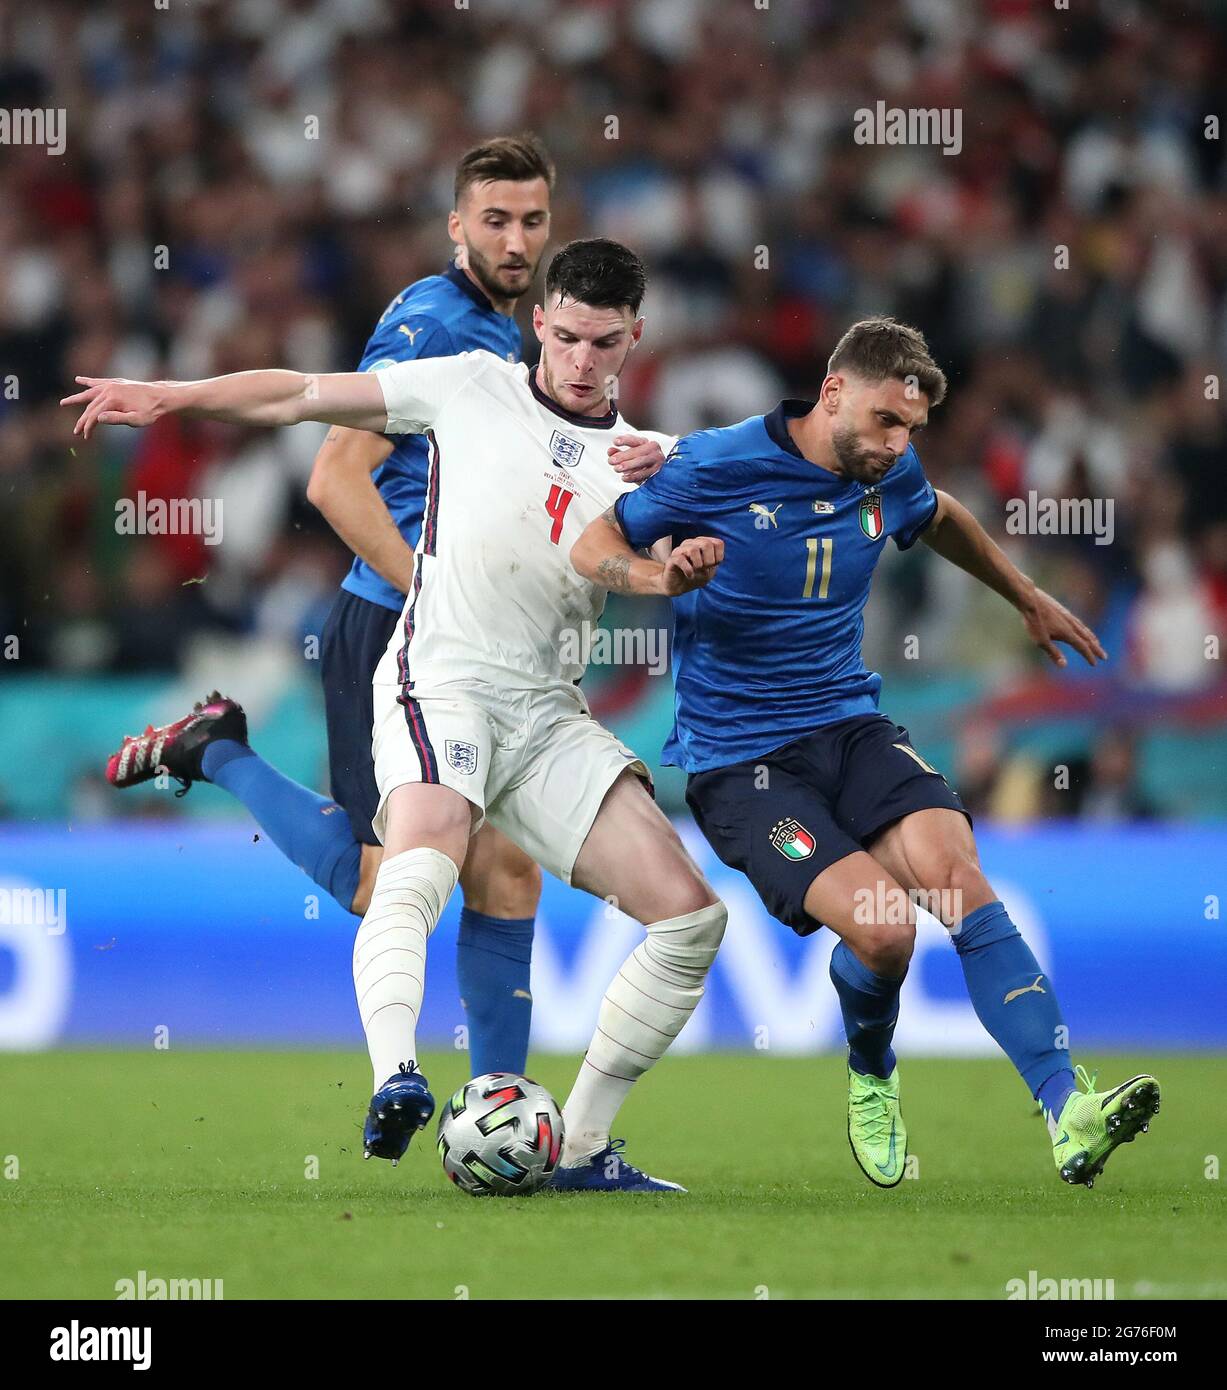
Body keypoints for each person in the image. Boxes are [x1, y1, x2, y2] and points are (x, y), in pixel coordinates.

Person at [66, 237, 728, 1193]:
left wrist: (685, 560)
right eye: (569, 336)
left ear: (636, 338)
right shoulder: (465, 384)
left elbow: (709, 541)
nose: (583, 362)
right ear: (539, 322)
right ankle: (397, 1078)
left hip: (547, 714)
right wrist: (173, 396)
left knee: (689, 918)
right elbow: (300, 392)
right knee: (413, 868)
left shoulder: (652, 460)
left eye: (605, 344)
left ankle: (577, 1148)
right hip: (441, 676)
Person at [104, 134, 661, 1081]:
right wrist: (436, 591)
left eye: (532, 219)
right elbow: (334, 479)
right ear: (456, 226)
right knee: (382, 884)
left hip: (472, 644)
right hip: (398, 628)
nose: (517, 240)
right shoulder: (438, 327)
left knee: (508, 868)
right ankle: (216, 750)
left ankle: (503, 1108)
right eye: (495, 220)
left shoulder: (523, 331)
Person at [570, 316, 1160, 1190]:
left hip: (851, 726)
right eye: (886, 421)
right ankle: (873, 1068)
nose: (898, 444)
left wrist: (1023, 594)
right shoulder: (714, 465)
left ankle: (1064, 1110)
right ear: (834, 393)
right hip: (743, 762)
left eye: (912, 429)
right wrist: (660, 579)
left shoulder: (890, 471)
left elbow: (940, 513)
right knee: (884, 934)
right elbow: (594, 544)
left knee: (955, 878)